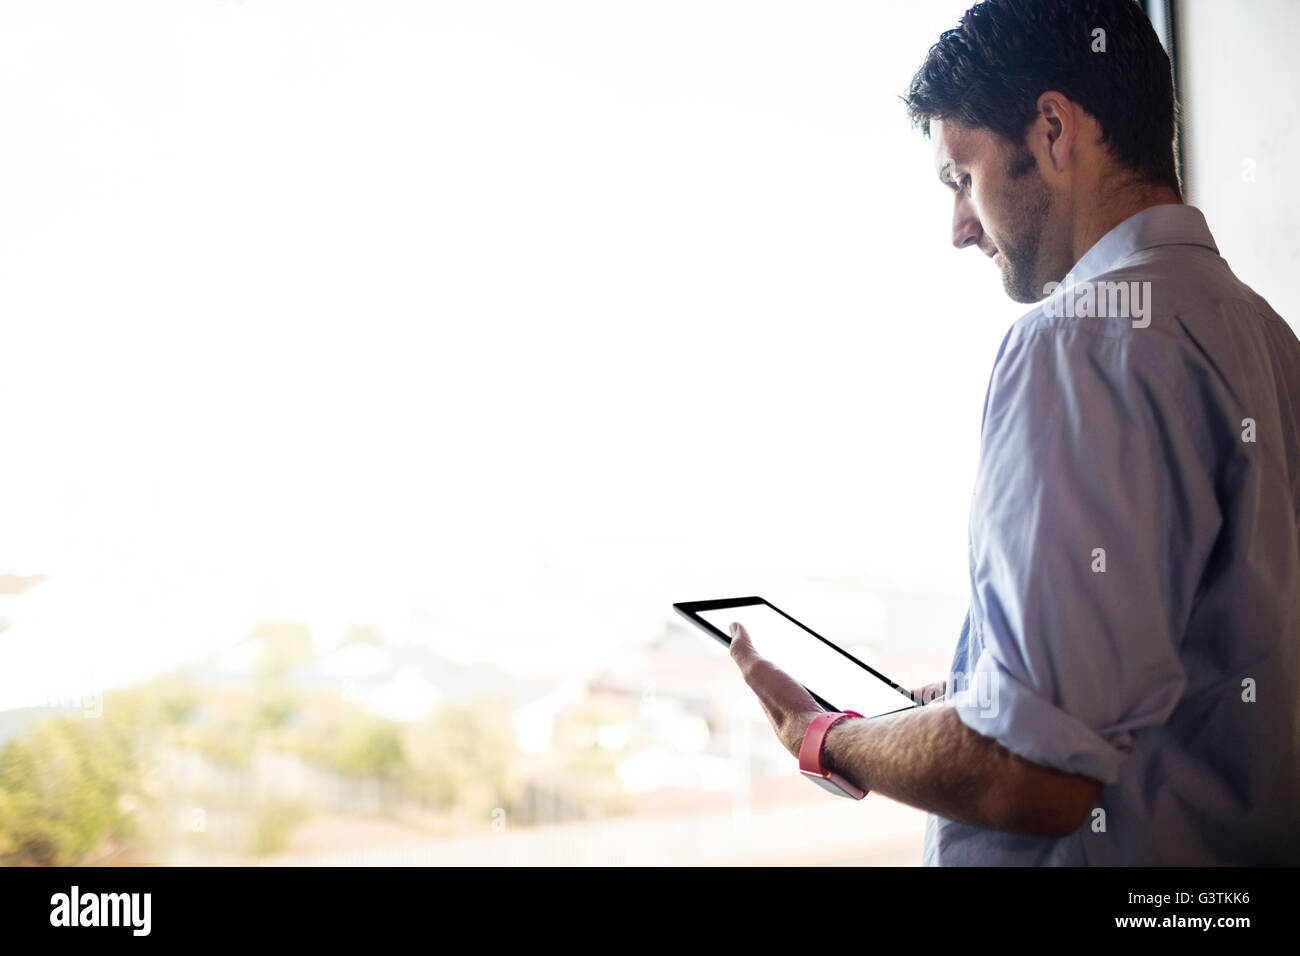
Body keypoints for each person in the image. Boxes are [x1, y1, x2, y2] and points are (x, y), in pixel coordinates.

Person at [728, 0, 1300, 865]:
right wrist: (980, 698)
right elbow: (1194, 661)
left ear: (1054, 131)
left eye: (962, 176)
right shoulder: (1265, 337)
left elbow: (1030, 777)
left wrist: (825, 737)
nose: (960, 228)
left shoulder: (1077, 344)